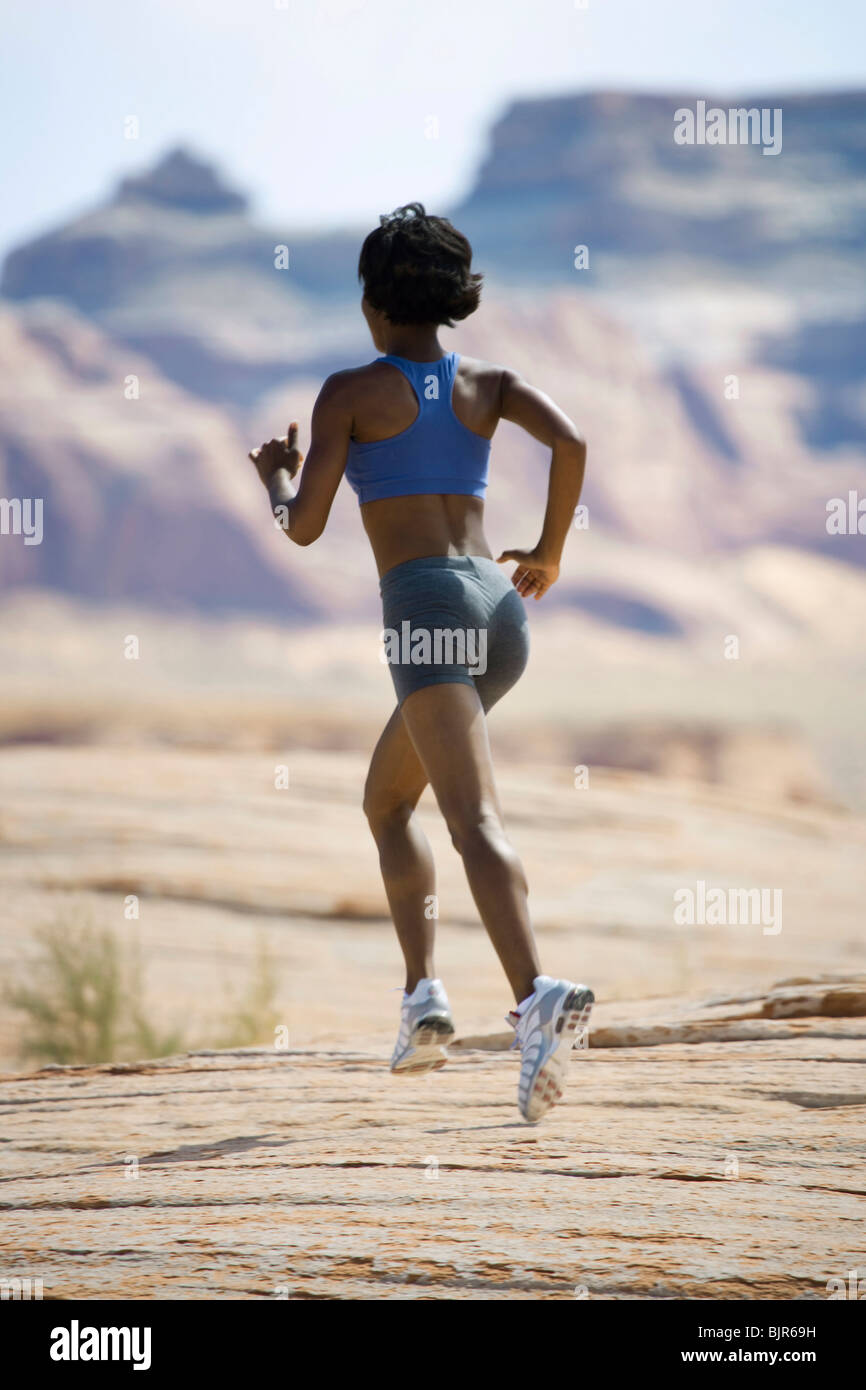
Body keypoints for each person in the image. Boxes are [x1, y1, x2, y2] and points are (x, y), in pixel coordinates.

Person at [249, 202, 593, 1122]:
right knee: (389, 801)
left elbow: (307, 526)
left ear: (371, 304)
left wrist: (276, 477)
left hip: (426, 606)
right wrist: (550, 553)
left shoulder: (351, 393)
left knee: (470, 814)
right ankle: (423, 999)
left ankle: (538, 999)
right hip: (498, 609)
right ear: (452, 298)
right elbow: (572, 441)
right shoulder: (489, 380)